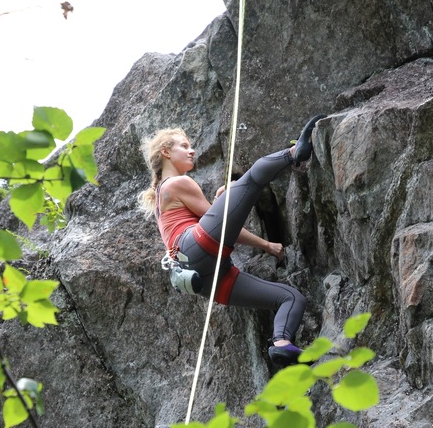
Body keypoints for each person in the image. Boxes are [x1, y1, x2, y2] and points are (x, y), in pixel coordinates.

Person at [138, 116, 325, 367]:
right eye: (184, 145)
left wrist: (260, 240)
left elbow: (222, 226)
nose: (192, 150)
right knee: (251, 179)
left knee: (290, 298)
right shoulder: (178, 183)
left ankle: (281, 345)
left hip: (203, 281)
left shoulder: (164, 196)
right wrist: (262, 241)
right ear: (166, 152)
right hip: (195, 248)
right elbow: (220, 224)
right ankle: (294, 152)